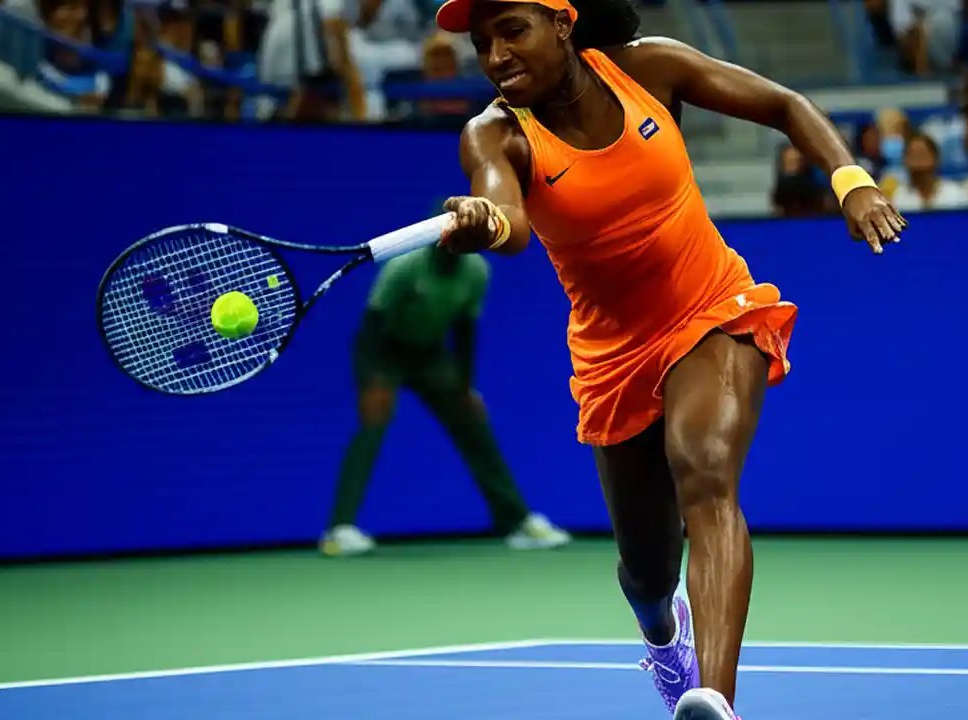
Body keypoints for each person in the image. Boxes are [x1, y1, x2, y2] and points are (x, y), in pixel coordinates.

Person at [429, 1, 907, 718]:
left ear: (562, 24)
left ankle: (715, 698)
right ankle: (663, 635)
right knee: (648, 570)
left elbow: (783, 104)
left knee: (707, 472)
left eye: (512, 31)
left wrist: (851, 179)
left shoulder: (649, 67)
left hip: (713, 306)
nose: (496, 55)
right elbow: (512, 221)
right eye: (482, 42)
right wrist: (483, 220)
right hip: (612, 357)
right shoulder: (494, 134)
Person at [320, 244, 572, 557]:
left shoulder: (477, 271)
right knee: (373, 422)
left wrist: (465, 388)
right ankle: (339, 530)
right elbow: (371, 327)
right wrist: (371, 383)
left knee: (473, 422)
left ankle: (517, 523)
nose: (451, 248)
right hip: (386, 353)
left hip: (431, 356)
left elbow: (465, 330)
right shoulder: (404, 266)